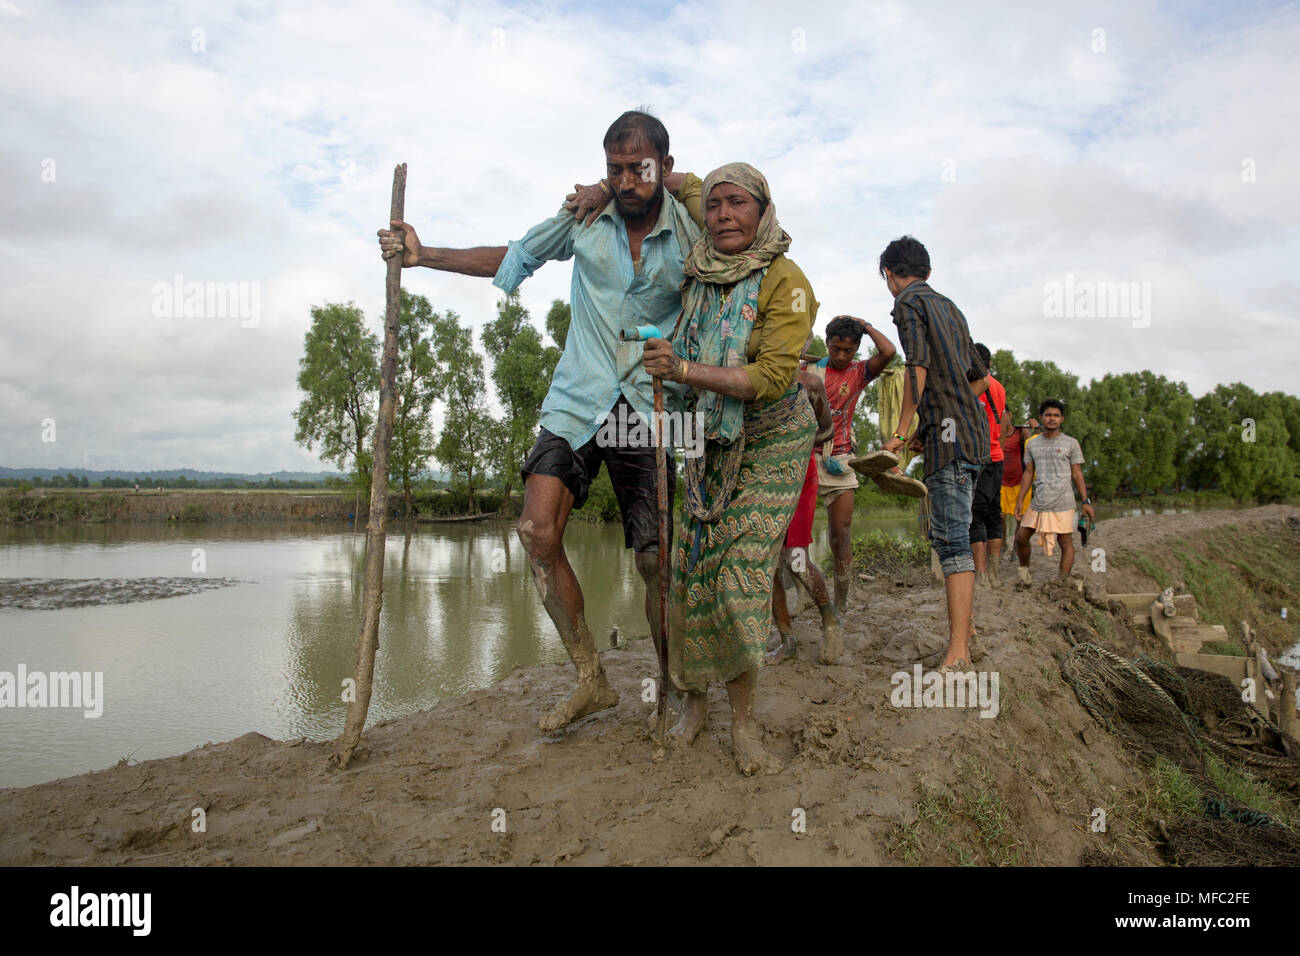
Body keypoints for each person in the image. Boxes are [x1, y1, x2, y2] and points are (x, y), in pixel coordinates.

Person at [378, 110, 703, 732]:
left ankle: (680, 690)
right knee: (535, 531)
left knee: (656, 560)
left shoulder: (690, 229)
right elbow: (517, 253)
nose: (628, 181)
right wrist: (425, 257)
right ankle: (591, 677)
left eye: (640, 169)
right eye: (614, 170)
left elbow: (740, 226)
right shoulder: (583, 219)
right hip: (578, 399)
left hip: (647, 405)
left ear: (663, 163)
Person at [641, 163, 816, 775]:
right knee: (688, 569)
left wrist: (683, 371)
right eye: (713, 206)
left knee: (740, 575)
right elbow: (675, 179)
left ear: (763, 209)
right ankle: (694, 706)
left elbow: (770, 379)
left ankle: (742, 725)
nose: (721, 215)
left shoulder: (788, 283)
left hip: (771, 438)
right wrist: (612, 185)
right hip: (705, 434)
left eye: (737, 203)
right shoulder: (701, 262)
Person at [878, 237, 990, 674]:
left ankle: (959, 652)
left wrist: (901, 433)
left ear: (889, 273)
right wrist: (935, 420)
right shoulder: (951, 307)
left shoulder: (907, 304)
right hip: (974, 437)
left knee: (951, 542)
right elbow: (978, 380)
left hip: (952, 444)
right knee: (956, 532)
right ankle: (970, 632)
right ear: (927, 269)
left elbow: (917, 366)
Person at [804, 315, 896, 612]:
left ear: (856, 349)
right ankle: (805, 594)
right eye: (835, 349)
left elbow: (889, 352)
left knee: (840, 536)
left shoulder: (859, 373)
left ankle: (840, 607)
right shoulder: (811, 369)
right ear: (827, 344)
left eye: (849, 351)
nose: (842, 356)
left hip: (840, 459)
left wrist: (865, 326)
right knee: (795, 537)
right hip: (804, 457)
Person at [768, 366, 840, 665]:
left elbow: (826, 432)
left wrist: (795, 441)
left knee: (796, 558)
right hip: (761, 476)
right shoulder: (746, 376)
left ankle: (831, 621)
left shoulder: (809, 383)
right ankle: (787, 641)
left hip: (799, 470)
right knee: (767, 564)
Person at [1014, 399, 1094, 581]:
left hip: (1063, 501)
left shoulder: (1071, 443)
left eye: (1056, 416)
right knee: (1021, 537)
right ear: (1041, 418)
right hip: (1039, 500)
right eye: (1048, 415)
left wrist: (1085, 501)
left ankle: (1062, 582)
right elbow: (1028, 473)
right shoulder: (1032, 444)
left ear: (1062, 419)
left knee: (1065, 542)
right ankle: (1024, 574)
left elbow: (1077, 473)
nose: (1052, 419)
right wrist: (1020, 500)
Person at [968, 343, 1007, 587]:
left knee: (975, 517)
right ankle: (994, 572)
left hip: (979, 457)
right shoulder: (999, 387)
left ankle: (981, 575)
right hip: (997, 456)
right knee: (994, 515)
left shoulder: (975, 387)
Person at [999, 416, 1037, 553]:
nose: (1001, 418)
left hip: (1020, 482)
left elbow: (1033, 445)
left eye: (1003, 414)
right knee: (1000, 515)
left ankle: (1016, 543)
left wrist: (1035, 430)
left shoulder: (1020, 432)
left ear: (1009, 415)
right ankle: (1003, 542)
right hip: (1001, 482)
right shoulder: (996, 433)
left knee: (1020, 516)